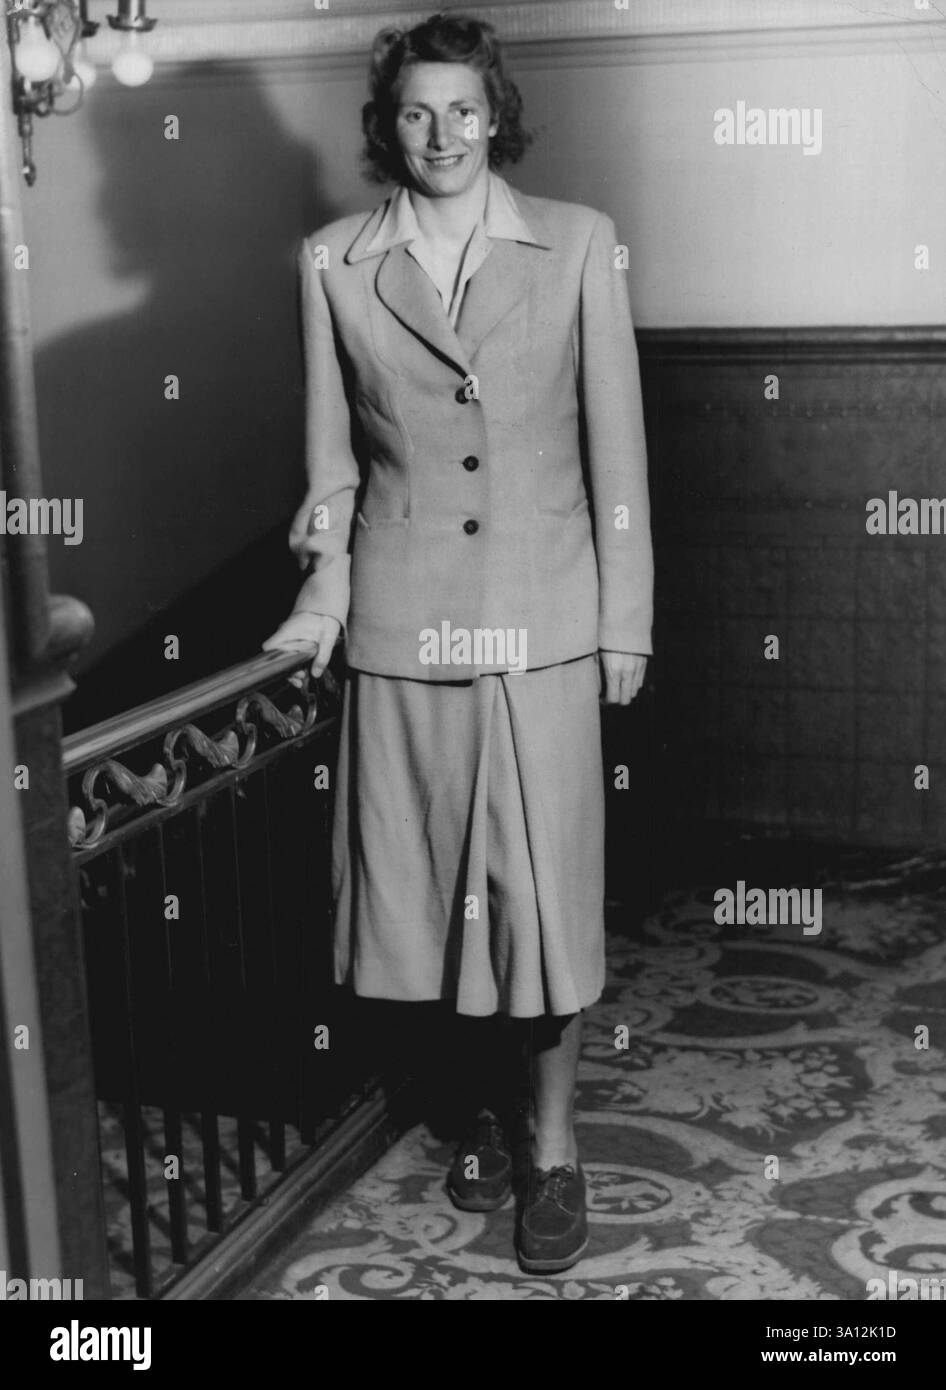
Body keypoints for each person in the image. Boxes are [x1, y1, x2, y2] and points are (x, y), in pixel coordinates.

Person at [263, 10, 653, 1276]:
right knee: (435, 906)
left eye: (463, 110)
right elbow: (332, 475)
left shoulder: (581, 244)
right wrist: (322, 597)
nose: (442, 134)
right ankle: (477, 1117)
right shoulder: (332, 261)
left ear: (498, 116)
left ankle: (553, 1150)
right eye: (415, 112)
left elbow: (617, 461)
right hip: (405, 629)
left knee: (537, 913)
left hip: (543, 629)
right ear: (388, 127)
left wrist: (623, 620)